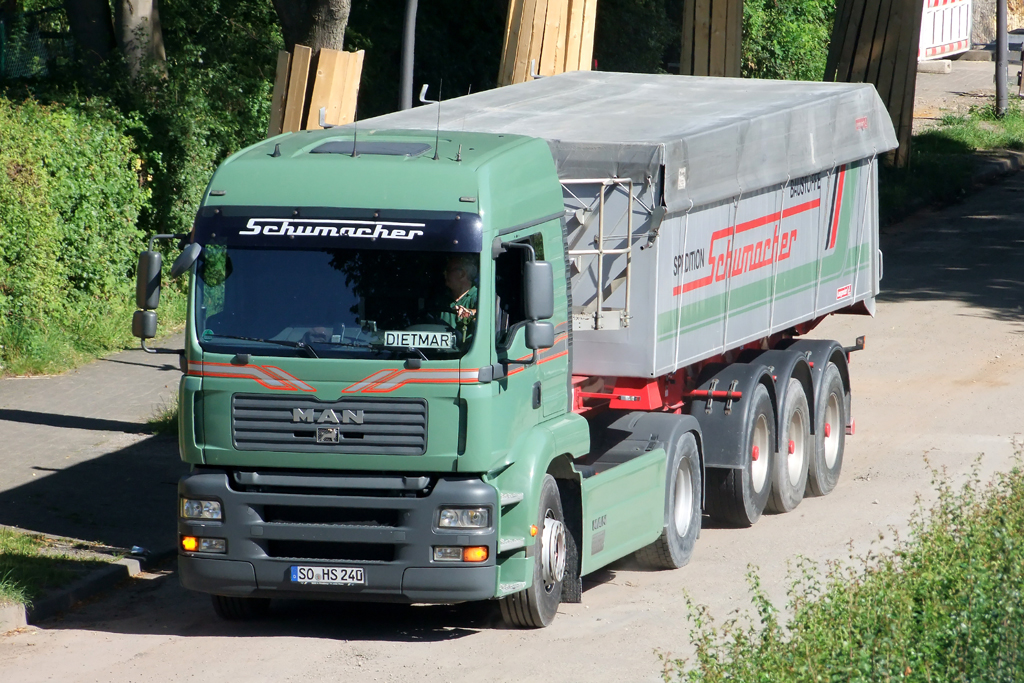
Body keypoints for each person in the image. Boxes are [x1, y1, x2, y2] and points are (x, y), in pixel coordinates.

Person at [438, 255, 478, 344]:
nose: (444, 273)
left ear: (462, 274)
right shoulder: (441, 299)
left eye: (448, 270)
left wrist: (470, 312)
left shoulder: (479, 295)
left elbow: (487, 314)